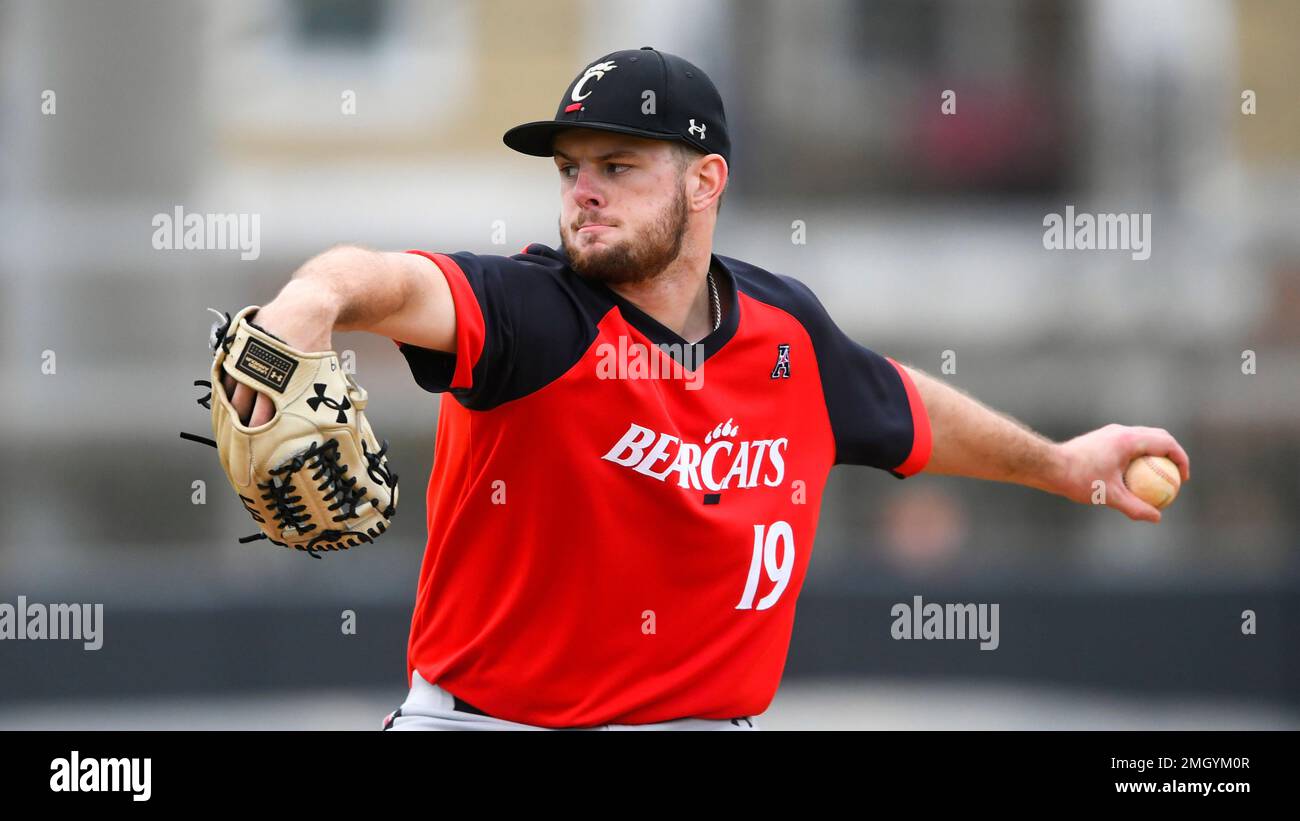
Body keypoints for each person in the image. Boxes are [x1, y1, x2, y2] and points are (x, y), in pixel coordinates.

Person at [219, 48, 1191, 731]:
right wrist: (311, 303)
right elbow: (382, 279)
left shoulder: (784, 335)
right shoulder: (529, 312)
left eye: (617, 166)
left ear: (705, 180)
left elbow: (901, 405)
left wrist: (1062, 462)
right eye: (569, 170)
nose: (581, 192)